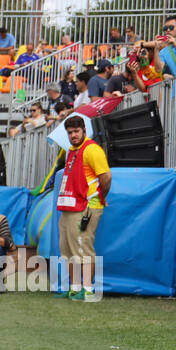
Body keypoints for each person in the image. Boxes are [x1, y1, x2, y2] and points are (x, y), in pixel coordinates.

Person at [55, 115, 110, 301]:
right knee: (68, 249)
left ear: (84, 131)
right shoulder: (71, 150)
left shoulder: (92, 150)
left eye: (76, 131)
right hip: (69, 206)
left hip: (86, 206)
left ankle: (87, 289)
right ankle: (74, 287)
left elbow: (106, 177)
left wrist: (101, 196)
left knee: (83, 247)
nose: (73, 135)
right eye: (70, 132)